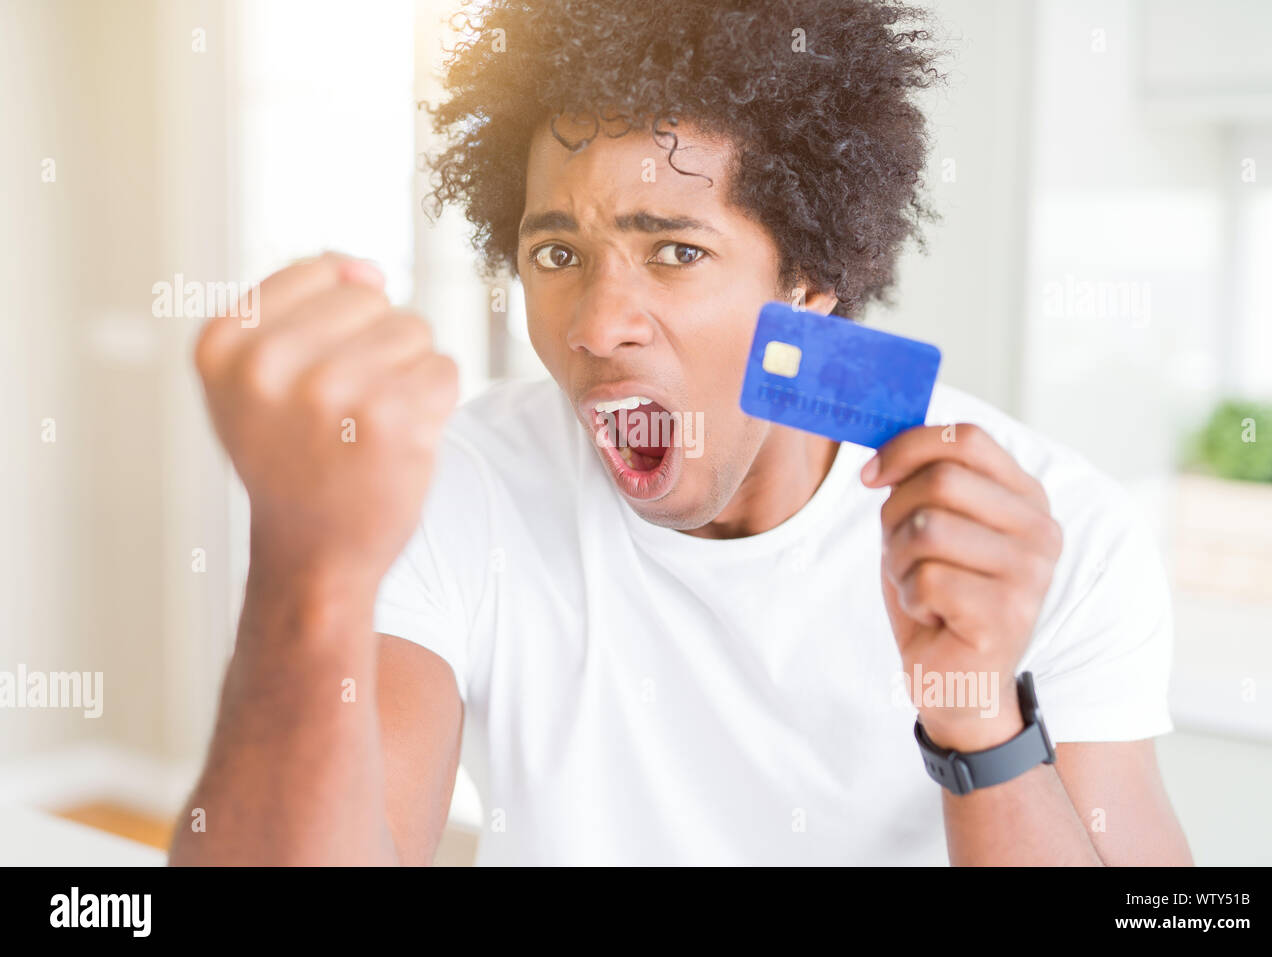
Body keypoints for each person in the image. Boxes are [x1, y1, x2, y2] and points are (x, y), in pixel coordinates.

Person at [171, 0, 1192, 865]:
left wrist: (980, 723)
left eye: (673, 250)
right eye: (558, 252)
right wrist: (307, 572)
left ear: (808, 281)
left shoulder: (1049, 534)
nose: (595, 325)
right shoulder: (454, 488)